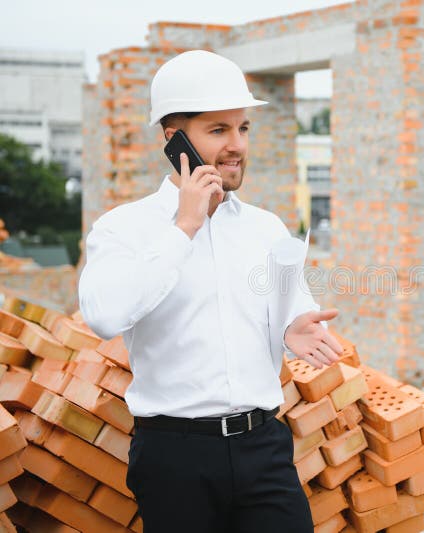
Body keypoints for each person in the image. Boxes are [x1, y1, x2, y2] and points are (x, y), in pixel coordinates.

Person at [78, 50, 343, 532]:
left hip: (263, 448)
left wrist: (292, 328)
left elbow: (291, 303)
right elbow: (103, 315)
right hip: (174, 456)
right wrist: (184, 225)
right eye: (218, 130)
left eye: (242, 128)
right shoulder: (123, 228)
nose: (237, 144)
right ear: (172, 139)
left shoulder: (265, 228)